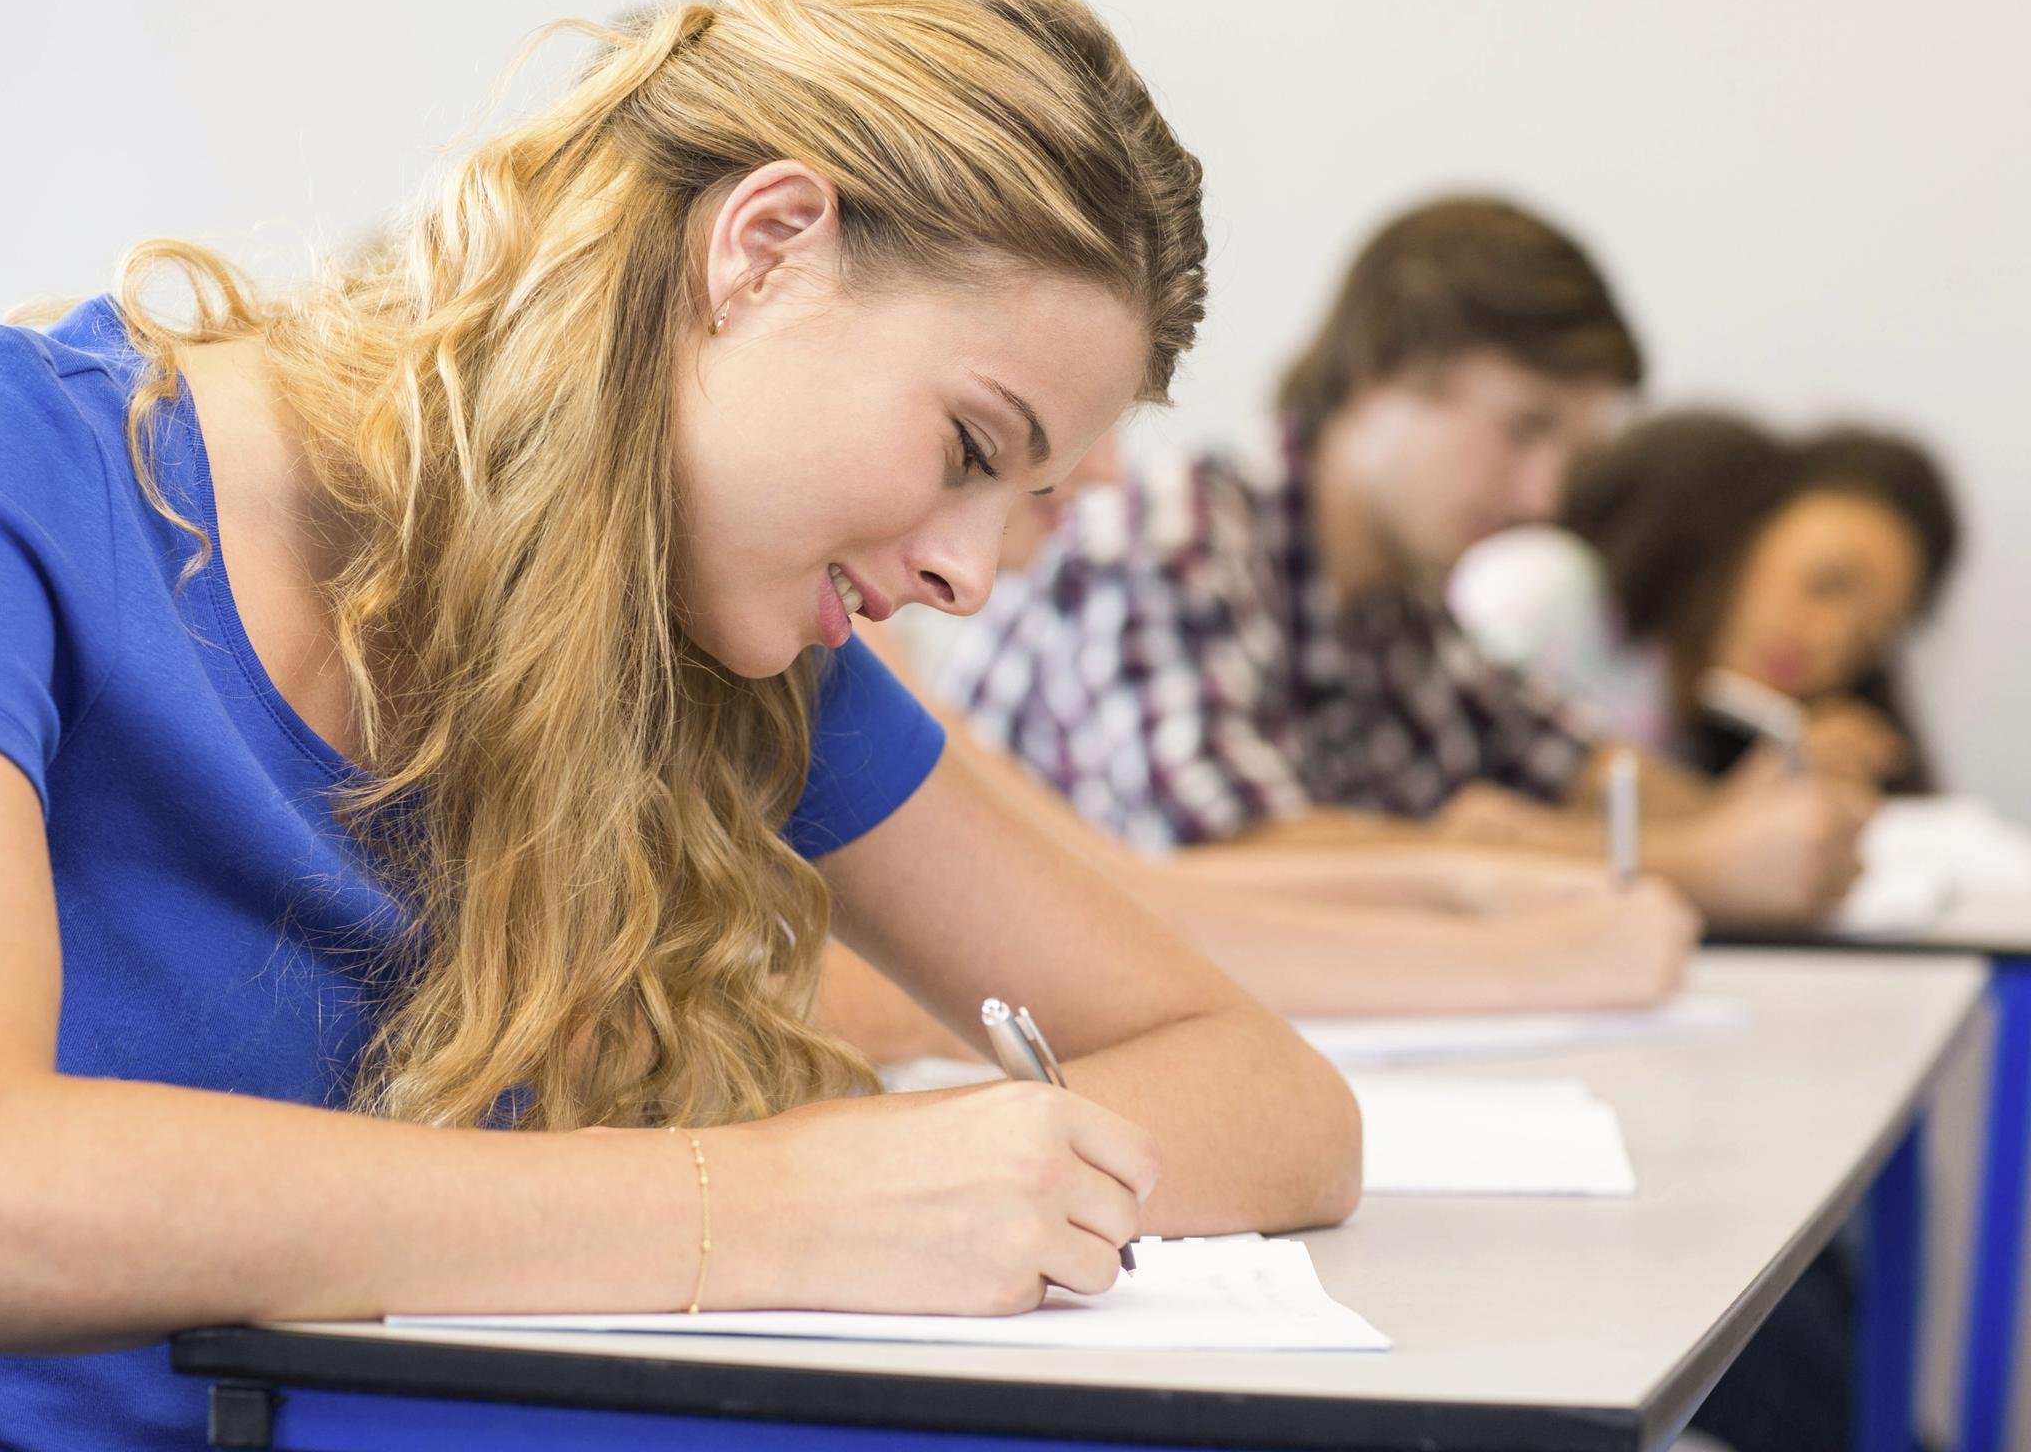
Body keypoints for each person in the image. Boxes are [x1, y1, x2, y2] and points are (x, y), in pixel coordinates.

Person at [0, 0, 1361, 1452]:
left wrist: (972, 1185)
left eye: (1030, 502)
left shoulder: (732, 652)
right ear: (764, 249)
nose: (971, 574)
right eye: (973, 451)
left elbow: (1274, 1100)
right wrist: (767, 1204)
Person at [940, 196, 1872, 927]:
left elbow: (1575, 766)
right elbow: (1230, 857)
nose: (1544, 498)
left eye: (1569, 454)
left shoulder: (1405, 600)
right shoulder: (1170, 534)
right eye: (1523, 429)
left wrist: (1743, 810)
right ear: (1388, 369)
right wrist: (1705, 864)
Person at [819, 431, 1697, 1066]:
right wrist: (1517, 951)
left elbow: (1111, 887)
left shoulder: (850, 646)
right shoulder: (1174, 536)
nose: (1110, 469)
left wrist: (1469, 884)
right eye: (1001, 419)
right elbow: (1023, 952)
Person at [1451, 409, 1961, 792]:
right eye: (1826, 582)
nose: (1826, 641)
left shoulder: (1704, 724)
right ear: (1740, 520)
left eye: (1864, 643)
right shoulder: (1542, 587)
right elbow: (1454, 803)